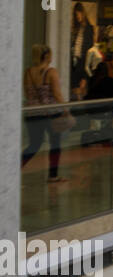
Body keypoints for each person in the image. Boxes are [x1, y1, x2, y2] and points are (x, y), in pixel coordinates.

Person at [21, 44, 68, 182]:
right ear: (47, 56)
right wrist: (66, 109)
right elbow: (57, 94)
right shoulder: (51, 72)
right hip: (50, 113)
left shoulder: (28, 72)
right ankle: (53, 175)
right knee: (55, 144)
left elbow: (27, 94)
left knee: (34, 144)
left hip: (32, 113)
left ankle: (14, 168)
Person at [69, 1, 96, 97]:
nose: (78, 17)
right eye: (76, 15)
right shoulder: (76, 29)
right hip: (75, 62)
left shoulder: (88, 29)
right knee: (75, 89)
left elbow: (89, 50)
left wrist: (86, 74)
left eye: (79, 14)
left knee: (81, 89)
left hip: (82, 63)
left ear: (83, 13)